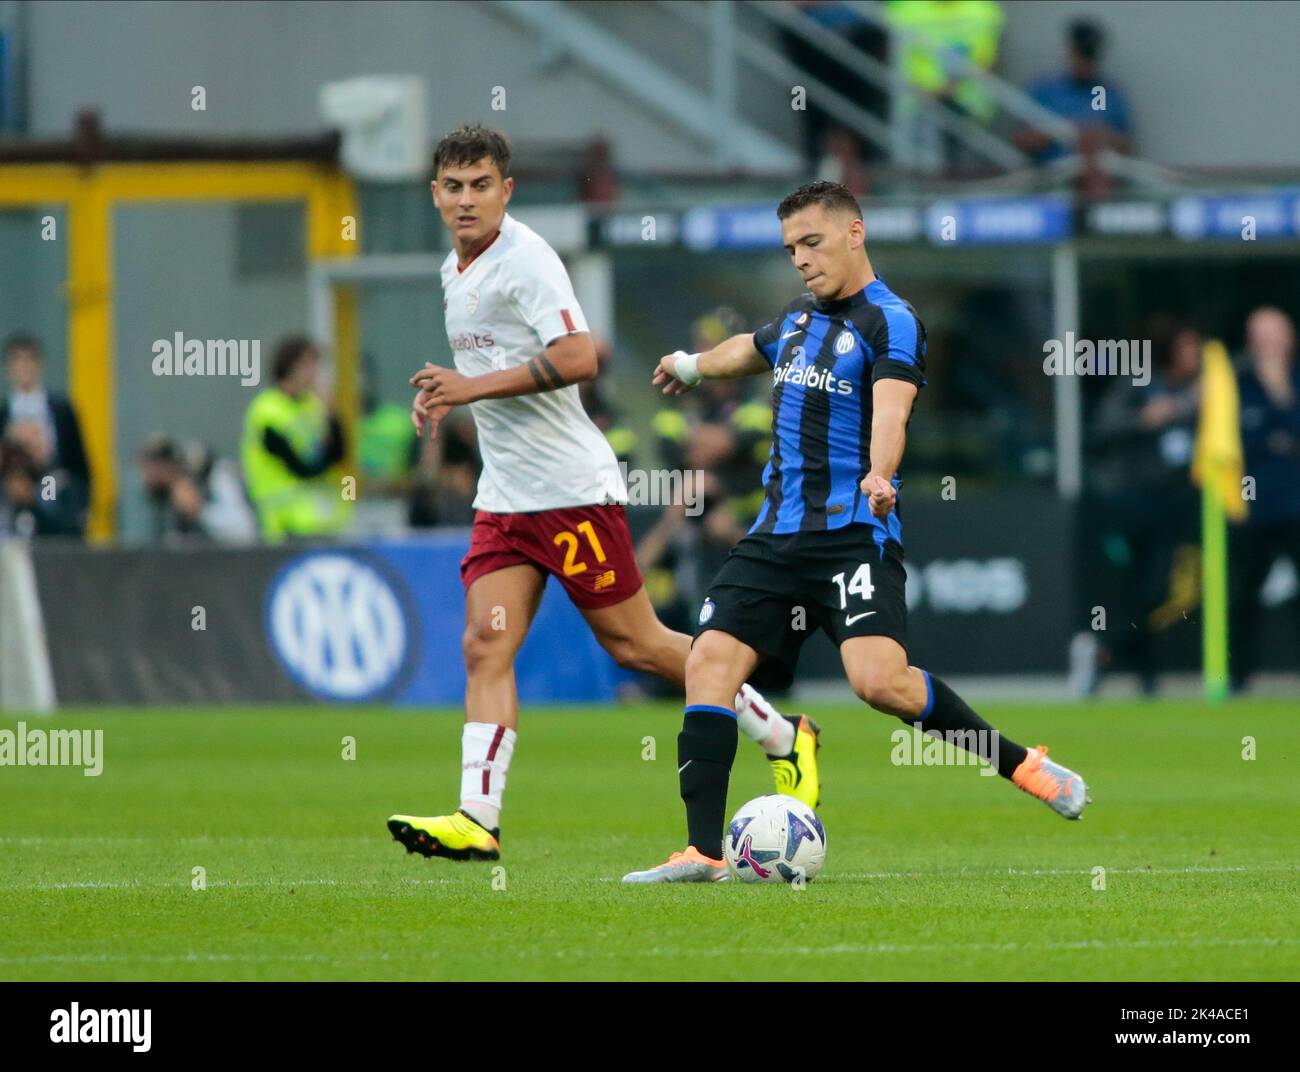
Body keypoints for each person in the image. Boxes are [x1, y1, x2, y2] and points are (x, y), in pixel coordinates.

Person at [624, 181, 1089, 884]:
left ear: (854, 234)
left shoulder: (891, 322)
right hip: (774, 538)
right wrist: (690, 365)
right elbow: (750, 349)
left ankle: (1022, 764)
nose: (801, 260)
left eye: (812, 243)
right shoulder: (796, 320)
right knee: (709, 662)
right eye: (790, 249)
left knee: (881, 684)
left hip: (852, 535)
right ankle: (701, 852)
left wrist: (880, 473)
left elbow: (892, 410)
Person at [386, 125, 821, 864]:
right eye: (453, 187)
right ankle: (477, 818)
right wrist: (449, 401)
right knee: (484, 645)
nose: (466, 200)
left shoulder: (527, 260)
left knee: (639, 646)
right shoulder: (452, 271)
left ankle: (783, 734)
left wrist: (468, 389)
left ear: (506, 190)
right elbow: (495, 376)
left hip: (569, 495)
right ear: (435, 194)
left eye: (481, 185)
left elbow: (579, 356)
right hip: (505, 501)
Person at [1230, 307, 1300, 691]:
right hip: (1251, 510)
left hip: (1296, 507)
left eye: (1277, 334)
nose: (1270, 344)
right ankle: (1240, 678)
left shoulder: (1294, 381)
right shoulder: (1236, 385)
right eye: (1262, 336)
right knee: (1243, 595)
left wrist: (1281, 394)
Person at [239, 336, 349, 541]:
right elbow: (300, 467)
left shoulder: (314, 405)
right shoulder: (267, 410)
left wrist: (333, 417)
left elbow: (340, 455)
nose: (315, 372)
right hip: (284, 525)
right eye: (309, 364)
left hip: (323, 522)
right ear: (290, 367)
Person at [0, 333, 91, 536]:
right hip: (11, 488)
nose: (24, 368)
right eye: (17, 361)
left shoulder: (61, 410)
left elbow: (78, 461)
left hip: (50, 482)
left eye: (29, 360)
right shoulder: (4, 414)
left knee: (51, 511)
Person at [1013, 19, 1133, 166]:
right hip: (1049, 178)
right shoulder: (1045, 89)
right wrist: (1053, 133)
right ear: (1071, 52)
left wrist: (1101, 137)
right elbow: (1019, 138)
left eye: (1090, 56)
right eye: (1081, 55)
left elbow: (1126, 147)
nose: (1085, 63)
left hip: (1092, 180)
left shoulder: (1107, 93)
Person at [137, 434, 257, 543]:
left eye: (156, 468)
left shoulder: (216, 475)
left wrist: (200, 511)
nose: (149, 476)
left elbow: (244, 530)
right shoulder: (162, 498)